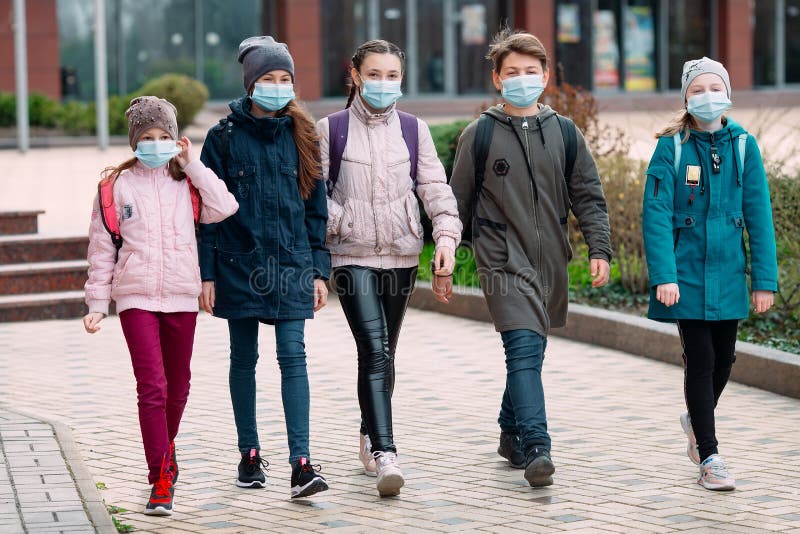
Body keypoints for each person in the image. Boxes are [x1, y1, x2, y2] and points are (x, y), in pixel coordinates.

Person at [449, 29, 612, 488]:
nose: (522, 79)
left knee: (531, 352)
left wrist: (598, 248)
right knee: (522, 347)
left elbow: (589, 196)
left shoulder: (564, 132)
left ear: (545, 76)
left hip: (551, 262)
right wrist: (444, 258)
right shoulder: (479, 134)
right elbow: (455, 204)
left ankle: (508, 430)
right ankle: (538, 446)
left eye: (531, 71)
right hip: (501, 261)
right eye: (512, 72)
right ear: (497, 79)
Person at [318, 39, 462, 496]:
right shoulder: (331, 128)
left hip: (401, 256)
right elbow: (312, 195)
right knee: (376, 347)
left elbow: (436, 190)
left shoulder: (414, 130)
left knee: (385, 351)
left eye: (393, 76)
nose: (384, 84)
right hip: (351, 254)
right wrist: (342, 220)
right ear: (356, 76)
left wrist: (444, 239)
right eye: (374, 75)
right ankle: (386, 452)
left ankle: (367, 430)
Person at [83, 96, 239, 515]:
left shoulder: (186, 181)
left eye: (163, 136)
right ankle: (160, 477)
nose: (155, 143)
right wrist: (98, 302)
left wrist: (192, 164)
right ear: (134, 141)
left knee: (178, 386)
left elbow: (225, 206)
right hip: (134, 297)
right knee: (152, 387)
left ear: (176, 139)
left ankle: (166, 452)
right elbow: (102, 250)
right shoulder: (115, 187)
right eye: (146, 137)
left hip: (181, 297)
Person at [197, 36, 331, 499]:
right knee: (244, 359)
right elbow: (206, 214)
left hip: (293, 264)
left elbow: (317, 211)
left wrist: (318, 269)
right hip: (238, 266)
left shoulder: (303, 135)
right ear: (251, 84)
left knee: (293, 356)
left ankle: (302, 463)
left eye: (285, 80)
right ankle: (249, 456)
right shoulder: (222, 140)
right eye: (269, 79)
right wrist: (207, 274)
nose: (278, 87)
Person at [642, 57, 777, 491]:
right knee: (699, 361)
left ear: (727, 92)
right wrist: (665, 275)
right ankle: (710, 454)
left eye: (713, 87)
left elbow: (759, 216)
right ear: (685, 97)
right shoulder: (672, 147)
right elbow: (656, 214)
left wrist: (764, 280)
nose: (706, 96)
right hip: (685, 275)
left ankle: (695, 418)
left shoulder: (743, 145)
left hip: (730, 273)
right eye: (696, 90)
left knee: (724, 360)